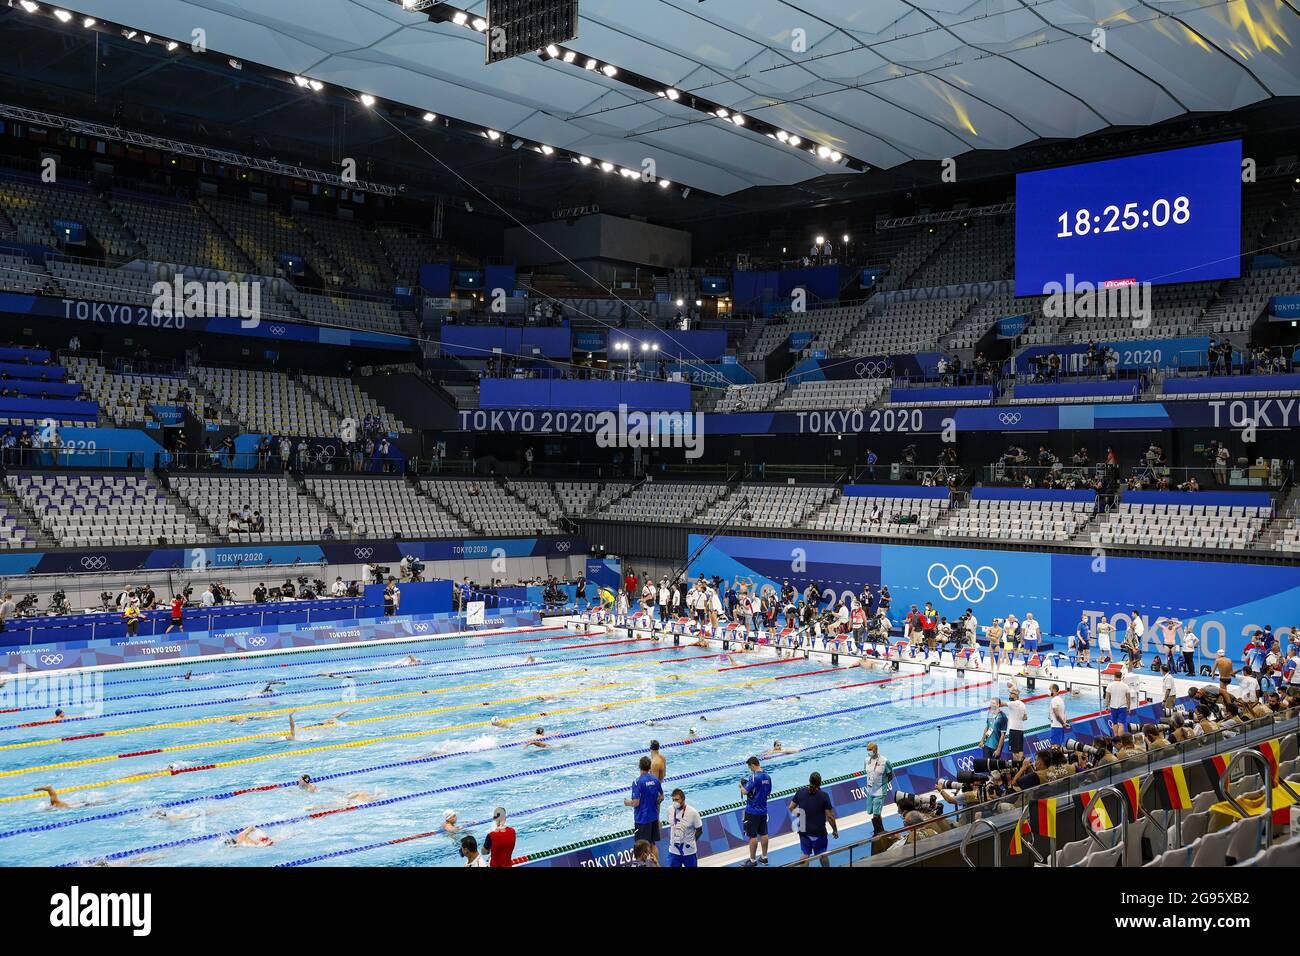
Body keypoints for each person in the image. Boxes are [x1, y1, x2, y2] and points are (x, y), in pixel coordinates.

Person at [789, 771, 838, 867]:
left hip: (803, 830)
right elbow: (830, 817)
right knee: (822, 854)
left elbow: (791, 807)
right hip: (818, 832)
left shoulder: (800, 792)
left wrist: (800, 815)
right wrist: (835, 830)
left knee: (805, 854)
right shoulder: (823, 796)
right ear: (820, 782)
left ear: (809, 781)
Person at [624, 756, 664, 865]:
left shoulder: (637, 782)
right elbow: (661, 797)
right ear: (649, 766)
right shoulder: (655, 779)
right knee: (653, 844)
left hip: (642, 820)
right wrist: (653, 804)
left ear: (639, 767)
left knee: (640, 848)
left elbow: (636, 802)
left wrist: (627, 802)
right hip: (654, 817)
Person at [739, 755, 772, 866]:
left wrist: (741, 785)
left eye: (750, 767)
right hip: (763, 810)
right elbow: (768, 792)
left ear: (753, 765)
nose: (750, 770)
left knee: (752, 836)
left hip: (753, 811)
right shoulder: (767, 776)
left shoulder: (754, 777)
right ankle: (764, 857)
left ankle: (752, 860)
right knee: (764, 833)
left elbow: (745, 791)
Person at [861, 741, 893, 835]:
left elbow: (890, 775)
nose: (868, 751)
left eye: (870, 749)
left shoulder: (885, 761)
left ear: (875, 749)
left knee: (876, 815)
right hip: (870, 791)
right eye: (867, 750)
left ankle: (879, 832)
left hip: (880, 791)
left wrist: (882, 785)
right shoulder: (866, 760)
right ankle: (879, 829)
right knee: (870, 812)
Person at [666, 788, 703, 868]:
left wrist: (692, 841)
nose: (675, 802)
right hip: (673, 851)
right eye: (673, 800)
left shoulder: (693, 813)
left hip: (689, 852)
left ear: (683, 799)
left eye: (677, 799)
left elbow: (699, 830)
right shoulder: (669, 810)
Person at [1106, 669, 1131, 735]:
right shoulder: (1125, 686)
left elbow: (1107, 697)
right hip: (1122, 707)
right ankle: (1120, 739)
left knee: (1114, 723)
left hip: (1113, 706)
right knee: (1121, 724)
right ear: (1121, 676)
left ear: (1114, 676)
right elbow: (1128, 698)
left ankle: (1116, 738)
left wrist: (1106, 706)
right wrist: (1129, 708)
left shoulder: (1110, 685)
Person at [1006, 689, 1028, 761]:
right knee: (1020, 750)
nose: (1009, 695)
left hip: (1014, 730)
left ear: (1015, 695)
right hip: (1020, 730)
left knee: (1014, 752)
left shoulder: (1013, 703)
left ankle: (1017, 767)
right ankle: (1022, 766)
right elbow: (1025, 717)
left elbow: (1001, 704)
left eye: (1011, 693)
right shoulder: (1022, 704)